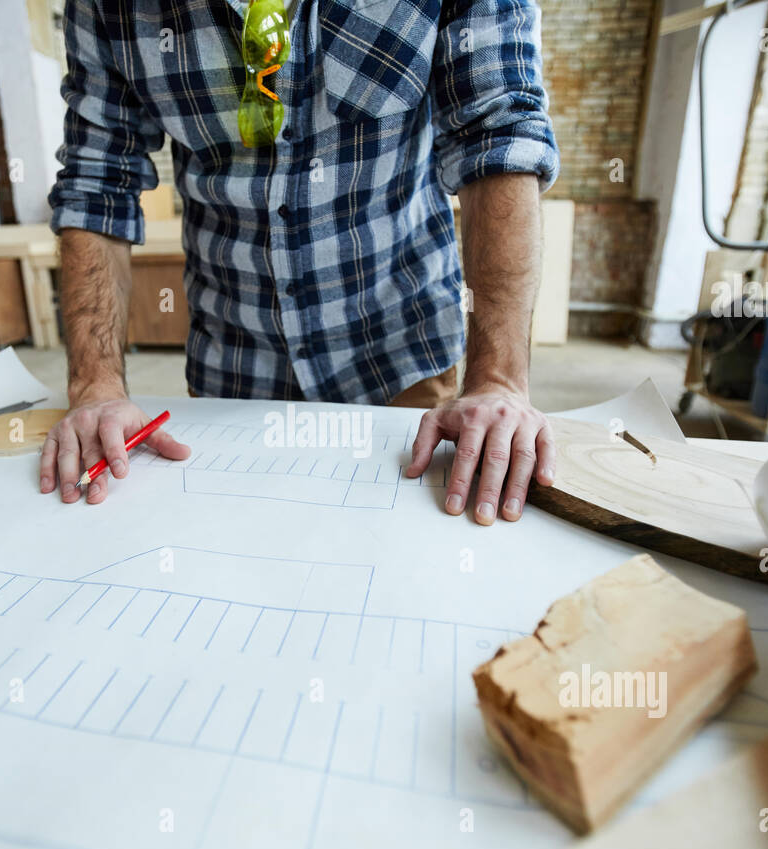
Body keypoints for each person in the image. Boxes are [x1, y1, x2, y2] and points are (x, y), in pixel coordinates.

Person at [39, 0, 560, 525]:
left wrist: (499, 380)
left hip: (402, 354)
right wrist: (95, 388)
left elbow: (499, 136)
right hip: (233, 368)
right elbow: (97, 177)